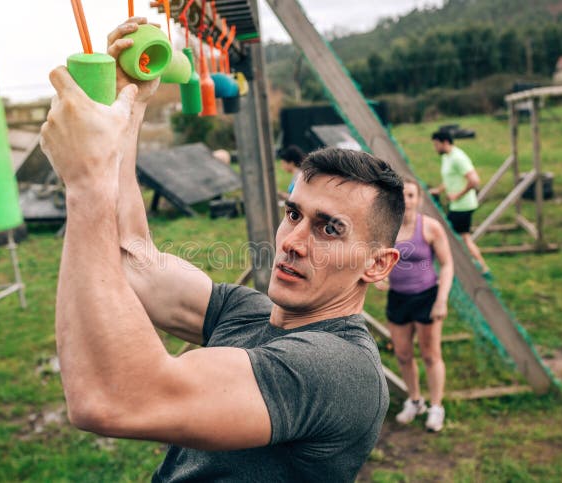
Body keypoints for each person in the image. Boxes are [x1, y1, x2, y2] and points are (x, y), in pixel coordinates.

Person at [38, 17, 406, 481]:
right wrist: (128, 103)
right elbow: (130, 256)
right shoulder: (247, 313)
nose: (293, 242)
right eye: (294, 214)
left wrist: (87, 184)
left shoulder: (340, 371)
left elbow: (115, 398)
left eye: (329, 229)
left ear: (377, 264)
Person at [375, 178, 453, 432]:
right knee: (403, 354)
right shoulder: (388, 228)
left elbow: (447, 264)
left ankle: (436, 407)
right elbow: (378, 258)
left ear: (419, 199)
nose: (406, 200)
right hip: (398, 298)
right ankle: (415, 400)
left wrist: (441, 300)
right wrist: (379, 276)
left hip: (426, 298)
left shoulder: (430, 228)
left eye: (411, 195)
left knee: (430, 354)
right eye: (401, 195)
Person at [429, 130, 490, 274]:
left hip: (463, 206)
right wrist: (439, 190)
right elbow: (451, 178)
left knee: (458, 237)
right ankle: (476, 265)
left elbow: (474, 180)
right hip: (457, 205)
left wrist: (457, 195)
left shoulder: (458, 158)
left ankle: (481, 267)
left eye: (436, 144)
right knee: (461, 237)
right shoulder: (447, 157)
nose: (435, 148)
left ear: (445, 142)